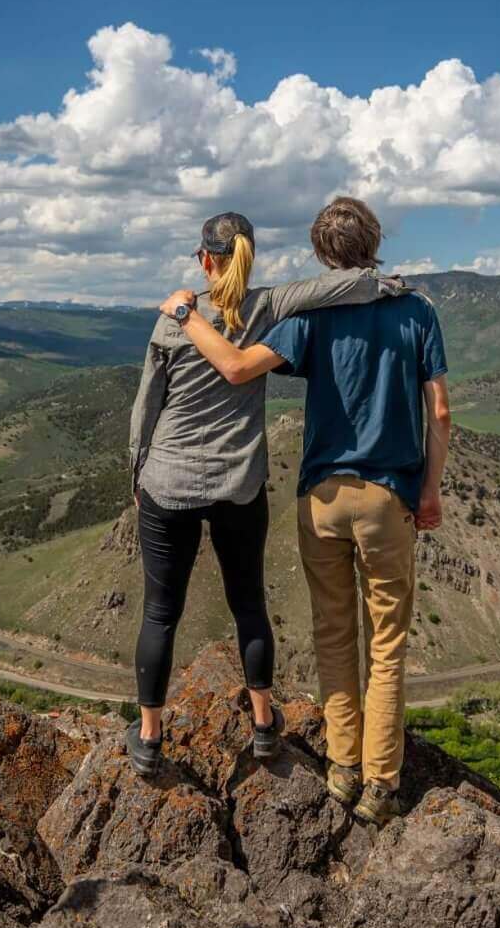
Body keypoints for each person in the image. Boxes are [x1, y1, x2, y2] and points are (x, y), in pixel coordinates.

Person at [169, 196, 449, 826]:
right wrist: (429, 490)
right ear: (372, 242)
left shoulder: (314, 315)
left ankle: (341, 768)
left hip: (320, 497)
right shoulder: (417, 312)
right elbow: (441, 411)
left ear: (323, 254)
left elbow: (239, 367)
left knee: (332, 634)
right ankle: (381, 782)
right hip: (387, 497)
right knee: (388, 642)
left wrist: (188, 313)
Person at [125, 211, 405, 777]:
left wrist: (137, 474)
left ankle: (150, 736)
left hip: (169, 482)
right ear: (250, 255)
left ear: (205, 260)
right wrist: (386, 284)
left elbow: (145, 409)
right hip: (238, 484)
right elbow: (343, 282)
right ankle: (261, 724)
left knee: (160, 612)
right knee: (248, 602)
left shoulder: (176, 321)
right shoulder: (268, 308)